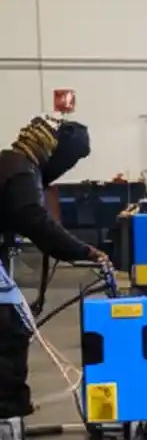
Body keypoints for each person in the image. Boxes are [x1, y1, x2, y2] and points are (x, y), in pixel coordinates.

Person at [0, 115, 105, 418]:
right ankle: (8, 412)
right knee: (12, 323)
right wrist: (83, 251)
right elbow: (38, 223)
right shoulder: (21, 173)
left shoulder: (10, 163)